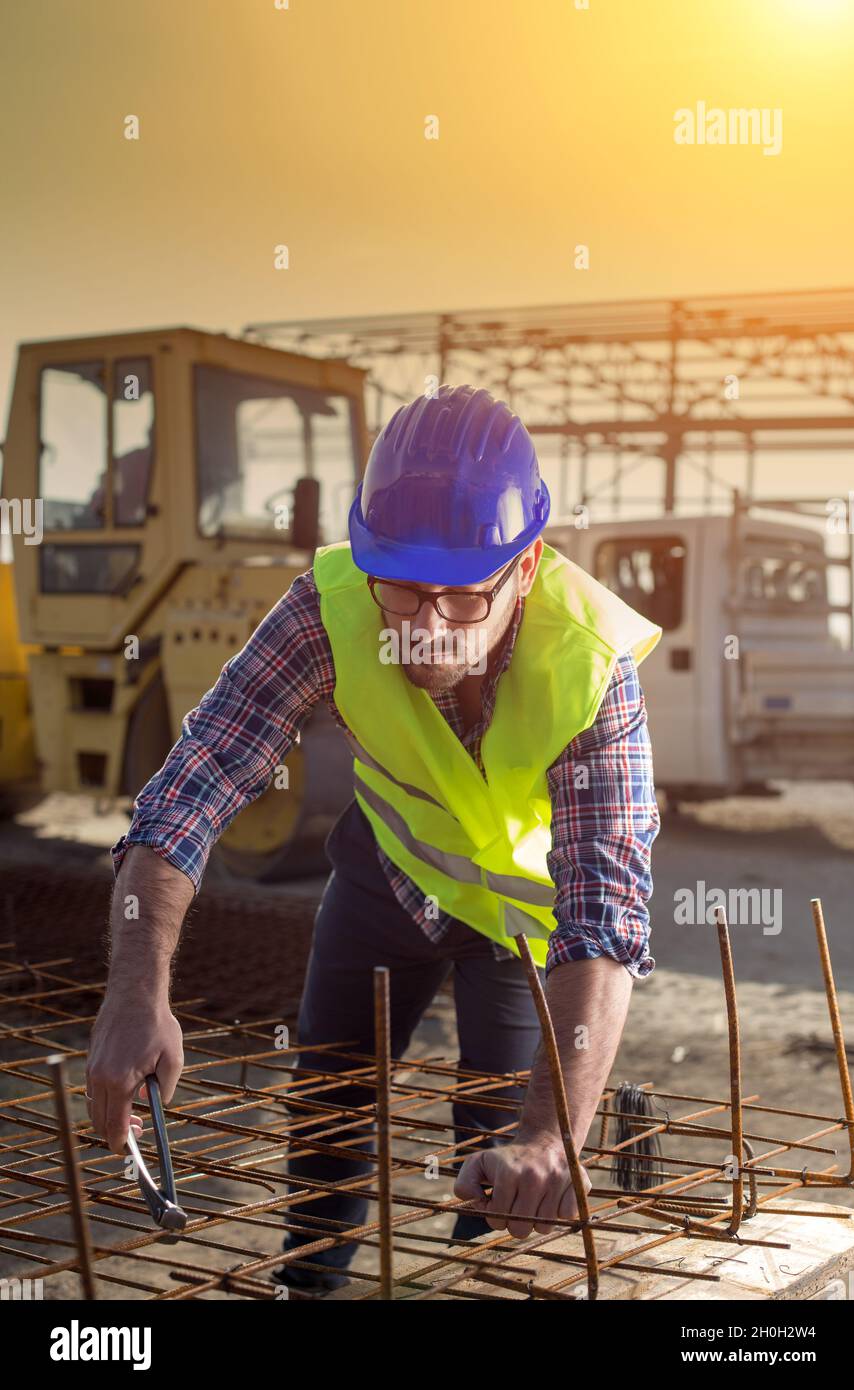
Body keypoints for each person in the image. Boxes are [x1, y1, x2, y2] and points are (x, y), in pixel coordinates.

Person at [86, 384, 663, 1294]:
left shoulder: (589, 665)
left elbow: (605, 906)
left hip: (521, 925)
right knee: (329, 1114)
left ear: (525, 567)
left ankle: (474, 1279)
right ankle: (307, 1289)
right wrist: (135, 991)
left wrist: (553, 1135)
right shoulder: (333, 603)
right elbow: (193, 787)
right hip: (382, 882)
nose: (424, 630)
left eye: (464, 600)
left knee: (503, 1154)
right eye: (401, 589)